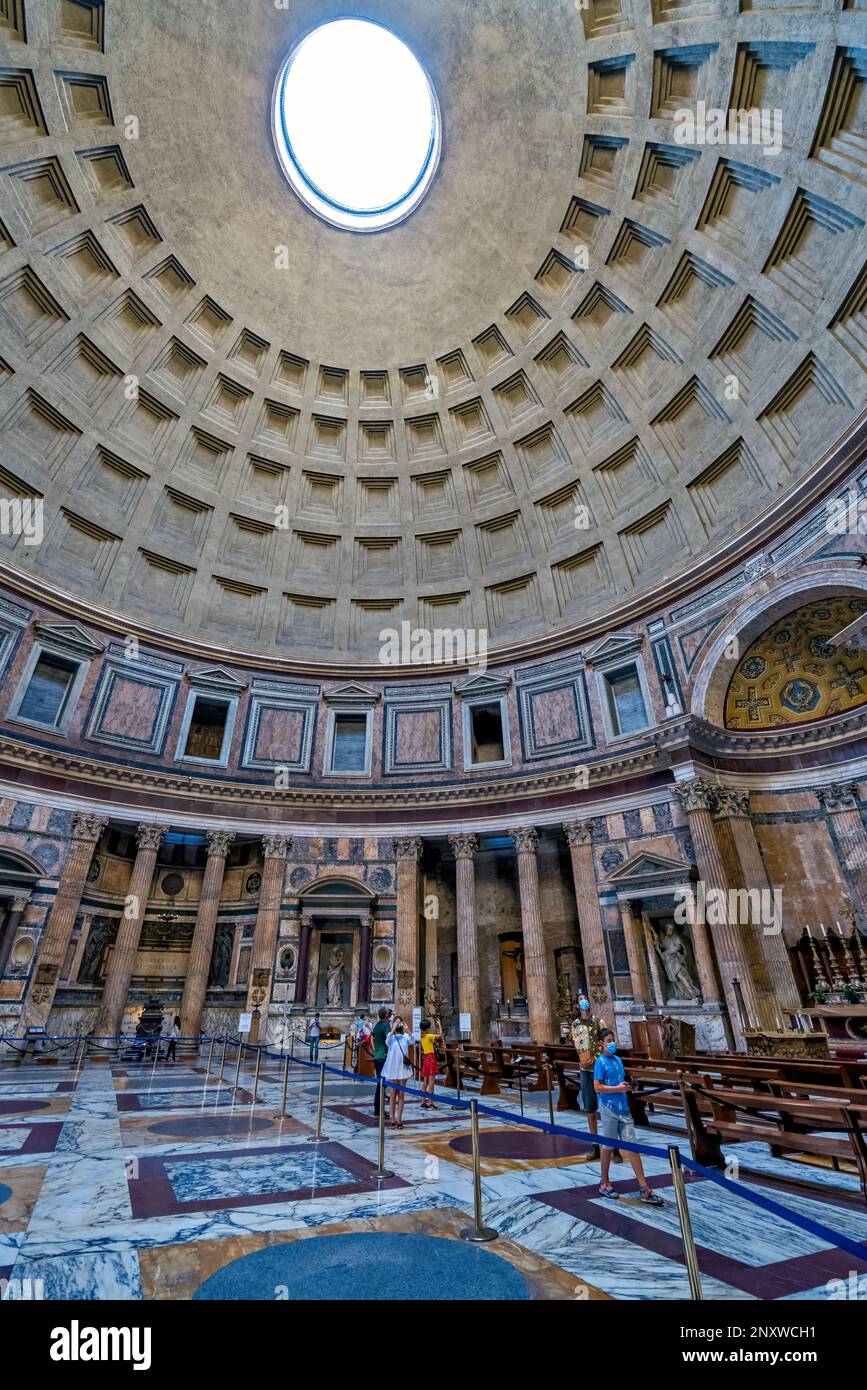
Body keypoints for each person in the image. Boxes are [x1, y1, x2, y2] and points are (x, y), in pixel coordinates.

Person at [594, 1030, 663, 1205]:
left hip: (623, 1109)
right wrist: (618, 1088)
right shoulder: (600, 1062)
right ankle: (604, 1182)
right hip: (608, 1108)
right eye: (609, 1040)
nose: (612, 1043)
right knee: (607, 1146)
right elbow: (597, 1087)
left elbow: (619, 1082)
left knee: (633, 1147)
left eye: (613, 1040)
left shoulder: (618, 1060)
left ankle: (644, 1188)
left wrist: (626, 1086)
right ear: (601, 1043)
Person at [570, 992, 607, 1157]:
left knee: (608, 1109)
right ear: (577, 1006)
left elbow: (608, 1041)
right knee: (590, 1109)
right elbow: (577, 1045)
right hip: (585, 1070)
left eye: (585, 999)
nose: (583, 1001)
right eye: (580, 1000)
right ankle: (595, 1144)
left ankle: (613, 1146)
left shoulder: (599, 1022)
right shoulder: (575, 1025)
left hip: (600, 1070)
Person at [382, 1016, 416, 1128]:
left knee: (401, 1094)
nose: (398, 1025)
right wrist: (393, 1029)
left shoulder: (405, 1036)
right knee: (393, 1094)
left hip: (402, 1068)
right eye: (396, 1023)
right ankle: (392, 1118)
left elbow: (413, 1040)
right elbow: (387, 1042)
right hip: (392, 1067)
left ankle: (399, 1119)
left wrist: (408, 1030)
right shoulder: (391, 1036)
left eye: (399, 1023)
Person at [419, 1016, 443, 1109]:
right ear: (428, 1028)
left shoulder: (422, 1037)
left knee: (425, 1082)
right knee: (432, 1082)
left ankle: (423, 1101)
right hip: (431, 1058)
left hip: (425, 1058)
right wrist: (439, 1025)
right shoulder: (429, 1036)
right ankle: (430, 1101)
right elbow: (440, 1035)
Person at [371, 1007, 392, 1117]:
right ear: (385, 1015)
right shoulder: (386, 1025)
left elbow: (373, 1038)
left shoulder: (377, 1025)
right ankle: (378, 1111)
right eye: (388, 1012)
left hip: (377, 1056)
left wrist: (375, 1050)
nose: (390, 1013)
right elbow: (389, 1040)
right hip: (384, 1056)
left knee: (380, 1084)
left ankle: (377, 1109)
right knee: (381, 1084)